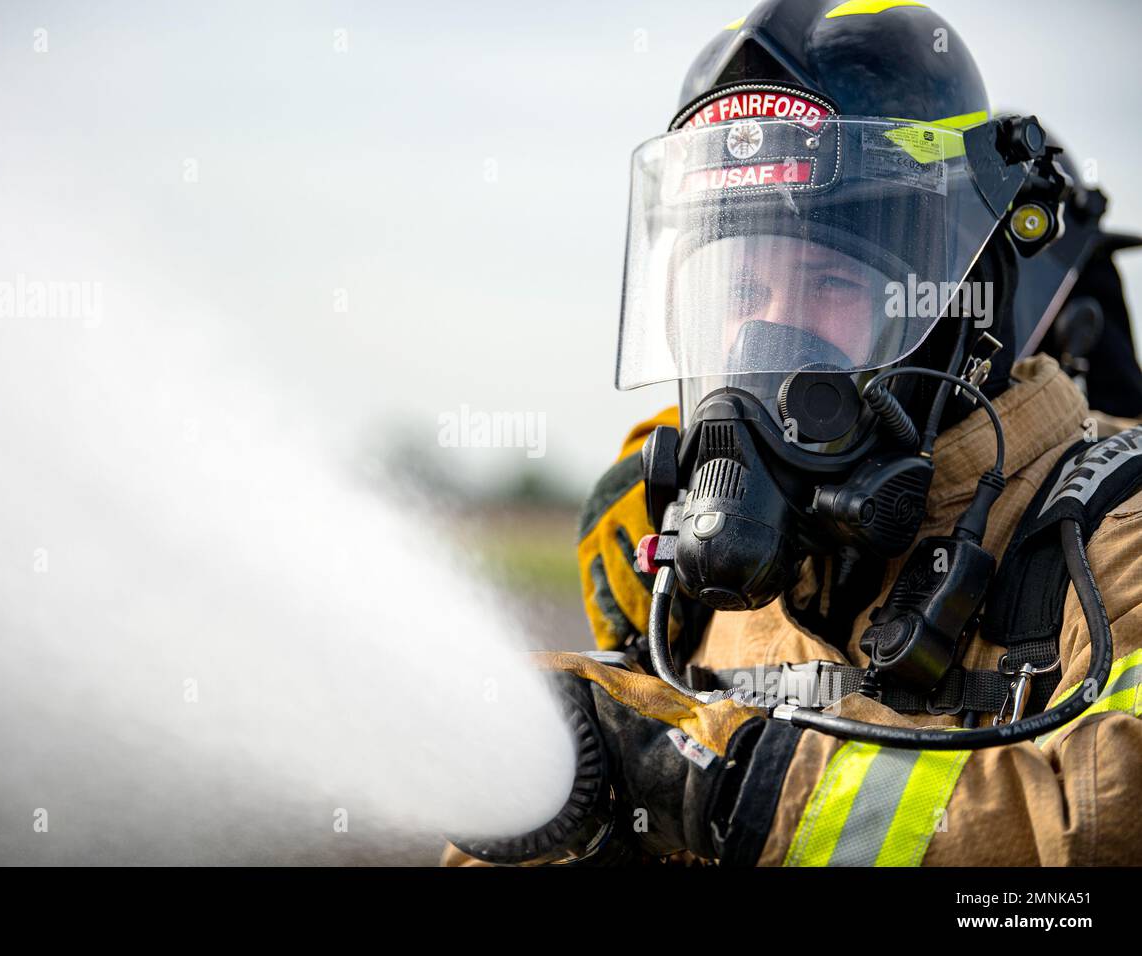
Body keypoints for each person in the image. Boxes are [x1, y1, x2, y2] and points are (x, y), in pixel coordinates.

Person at [443, 0, 1142, 867]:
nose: (767, 343)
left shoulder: (1111, 536)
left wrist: (725, 787)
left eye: (829, 286)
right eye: (739, 296)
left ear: (960, 311)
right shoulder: (687, 571)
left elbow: (1103, 829)